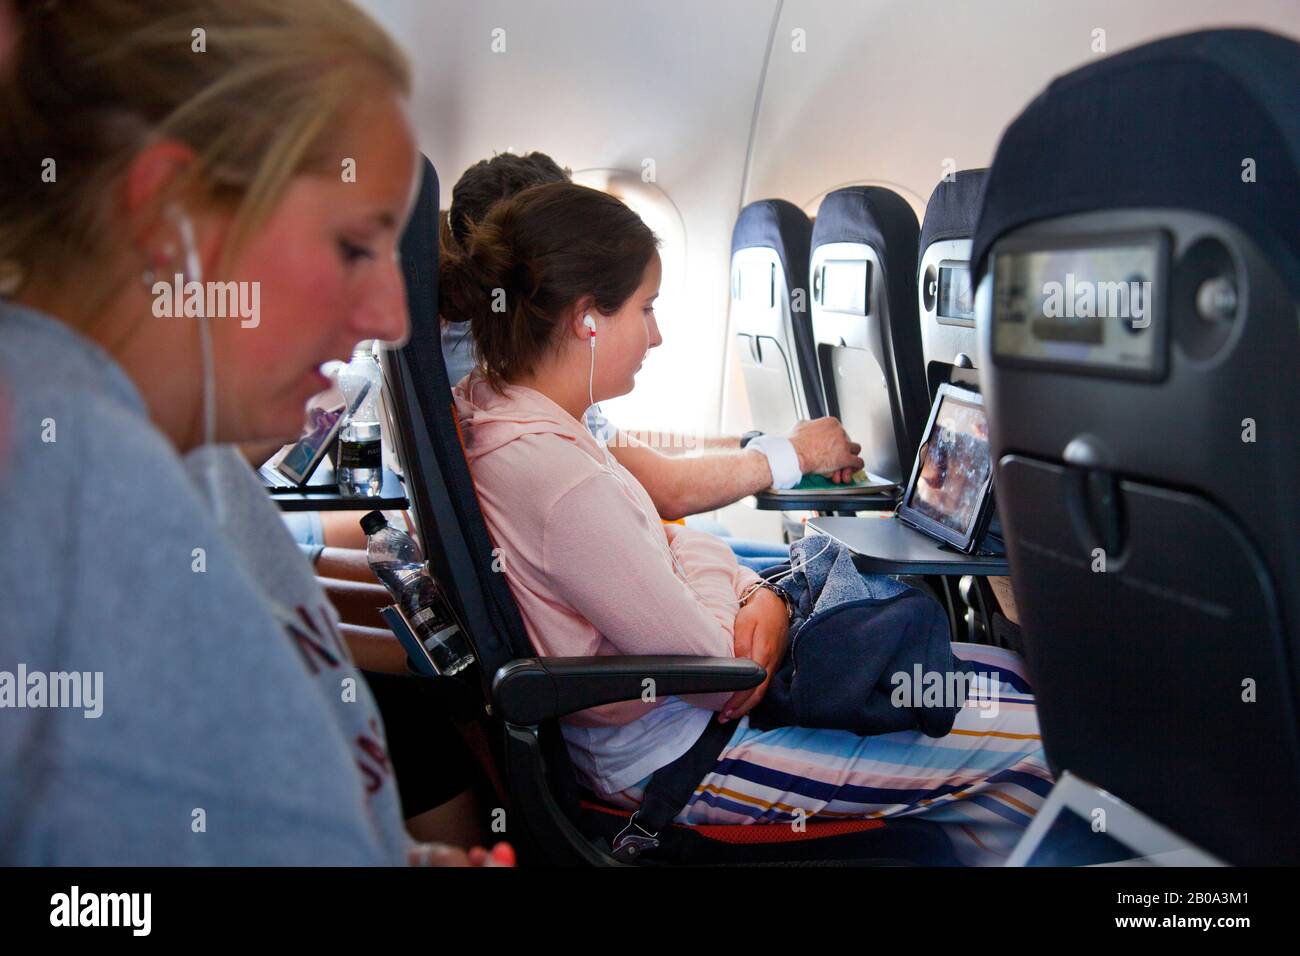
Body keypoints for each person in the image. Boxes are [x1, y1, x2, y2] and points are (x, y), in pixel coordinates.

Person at [0, 0, 508, 866]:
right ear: (167, 219)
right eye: (354, 246)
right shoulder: (57, 469)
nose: (390, 318)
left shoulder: (194, 465)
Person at [441, 181, 1052, 865]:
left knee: (1005, 673)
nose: (656, 333)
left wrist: (727, 579)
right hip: (679, 752)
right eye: (645, 309)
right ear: (587, 318)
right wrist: (750, 595)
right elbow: (723, 671)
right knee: (1044, 741)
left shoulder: (493, 408)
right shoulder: (564, 480)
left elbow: (674, 546)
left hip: (664, 723)